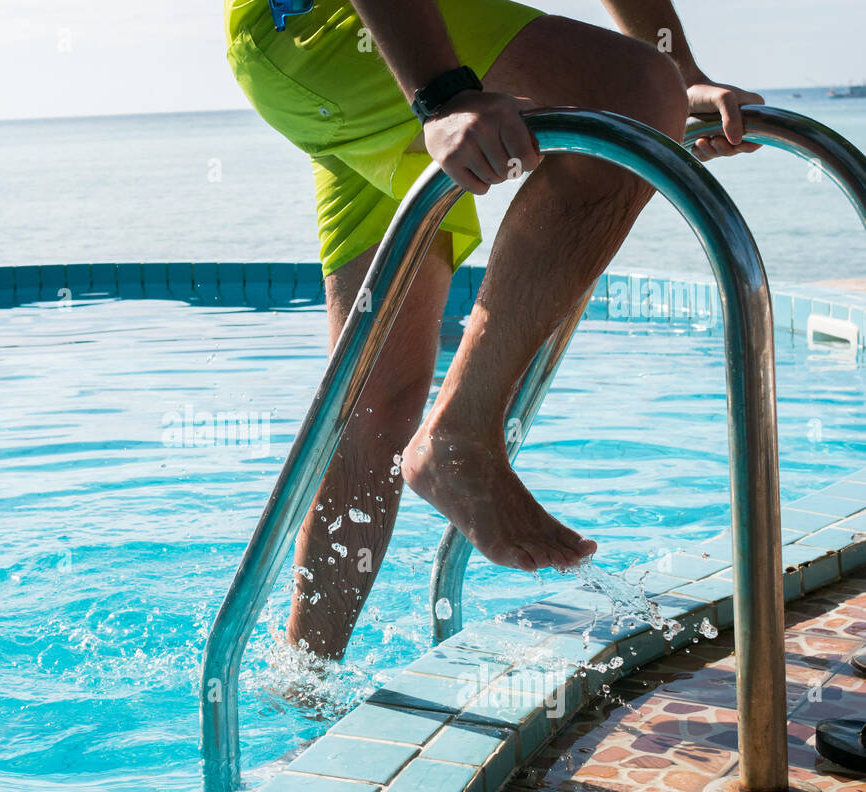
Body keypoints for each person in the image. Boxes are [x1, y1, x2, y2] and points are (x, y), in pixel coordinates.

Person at [224, 0, 763, 658]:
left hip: (315, 47)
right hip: (338, 25)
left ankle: (303, 682)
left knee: (378, 400)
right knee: (634, 89)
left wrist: (681, 73)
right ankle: (460, 433)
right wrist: (442, 93)